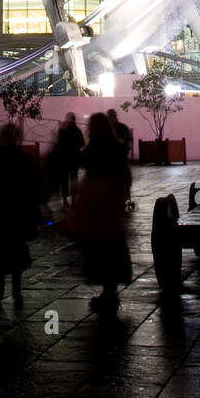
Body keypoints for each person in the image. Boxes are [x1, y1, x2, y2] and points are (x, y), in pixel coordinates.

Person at [73, 112, 133, 315]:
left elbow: (82, 160)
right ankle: (111, 288)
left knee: (100, 244)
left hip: (97, 198)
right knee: (113, 243)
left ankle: (107, 290)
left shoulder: (95, 145)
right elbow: (124, 169)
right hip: (113, 199)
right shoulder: (115, 145)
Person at [0, 122, 40, 306]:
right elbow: (32, 188)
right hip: (18, 213)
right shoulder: (24, 159)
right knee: (17, 251)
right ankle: (16, 291)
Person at [50, 112, 84, 209]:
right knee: (74, 178)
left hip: (64, 159)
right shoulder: (77, 130)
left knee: (64, 179)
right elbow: (82, 144)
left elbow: (58, 141)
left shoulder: (63, 130)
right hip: (74, 158)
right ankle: (74, 200)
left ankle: (65, 201)